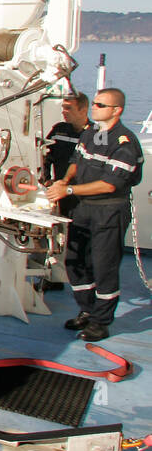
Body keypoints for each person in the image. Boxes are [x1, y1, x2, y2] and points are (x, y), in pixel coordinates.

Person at [46, 88, 145, 341]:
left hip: (109, 211)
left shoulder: (125, 142)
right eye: (95, 104)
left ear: (116, 110)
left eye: (100, 105)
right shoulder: (91, 133)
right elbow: (77, 161)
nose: (94, 108)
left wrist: (68, 189)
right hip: (84, 208)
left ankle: (101, 322)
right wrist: (63, 181)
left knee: (104, 268)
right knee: (75, 262)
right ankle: (87, 311)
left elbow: (109, 185)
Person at [44, 92, 90, 218]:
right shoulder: (59, 131)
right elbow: (46, 156)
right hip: (61, 195)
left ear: (83, 110)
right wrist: (46, 180)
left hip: (84, 198)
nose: (64, 111)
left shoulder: (95, 135)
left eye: (68, 108)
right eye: (63, 107)